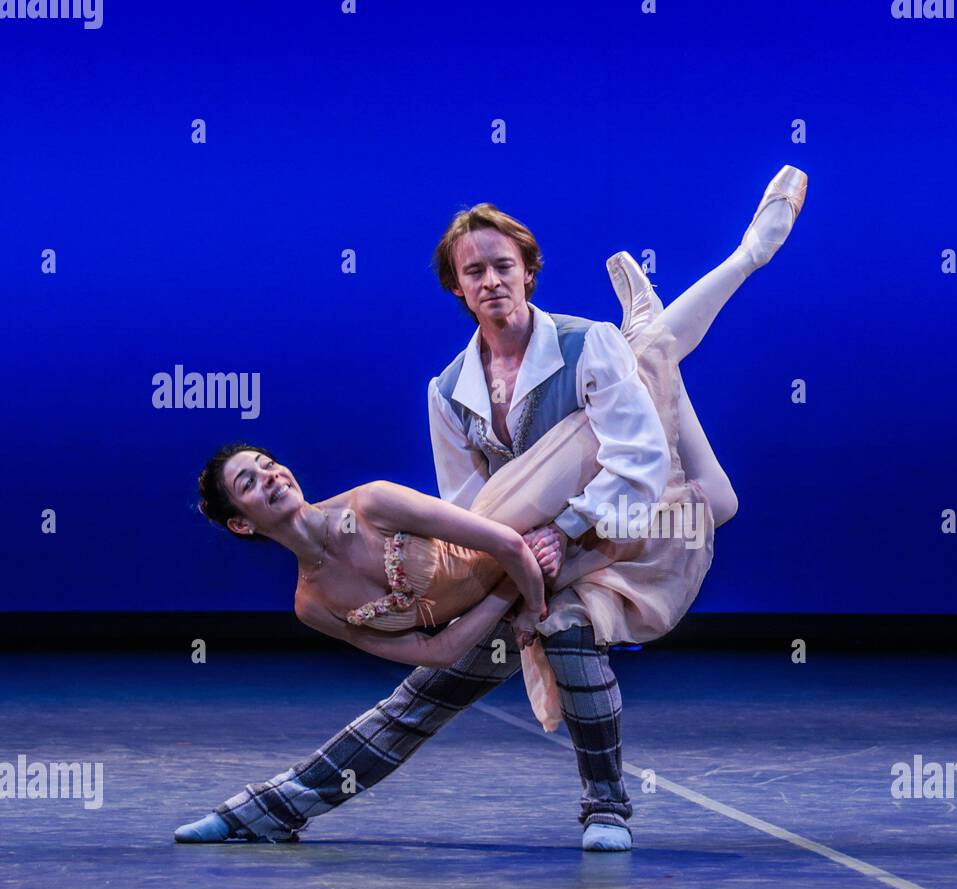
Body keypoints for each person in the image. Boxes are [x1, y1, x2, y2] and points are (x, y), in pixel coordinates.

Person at [174, 166, 808, 852]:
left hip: (599, 526)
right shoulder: (446, 390)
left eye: (503, 265)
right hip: (513, 554)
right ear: (457, 286)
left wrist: (560, 535)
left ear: (527, 272)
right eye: (474, 271)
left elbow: (638, 462)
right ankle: (266, 811)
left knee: (650, 447)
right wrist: (519, 584)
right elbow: (467, 510)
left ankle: (605, 812)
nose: (491, 280)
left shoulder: (579, 343)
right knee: (453, 680)